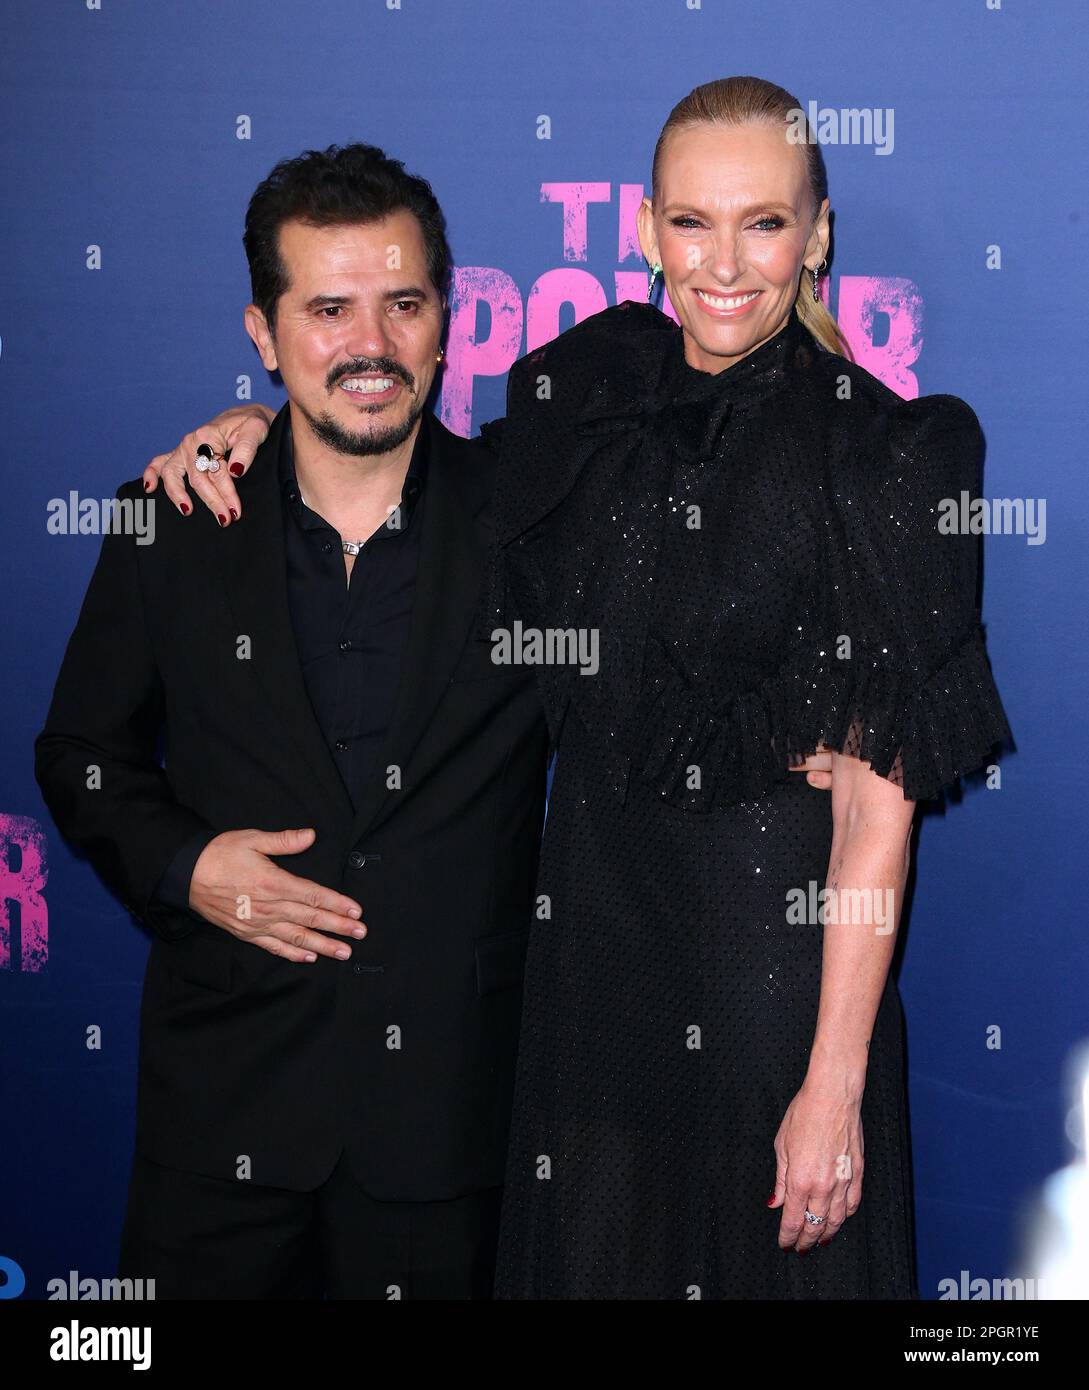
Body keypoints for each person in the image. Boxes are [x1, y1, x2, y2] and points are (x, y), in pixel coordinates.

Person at [142, 75, 985, 1300]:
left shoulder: (890, 457)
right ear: (645, 230)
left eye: (764, 222)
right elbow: (423, 483)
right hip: (589, 996)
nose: (725, 262)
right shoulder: (580, 397)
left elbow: (873, 822)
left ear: (817, 233)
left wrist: (832, 1083)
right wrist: (262, 425)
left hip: (772, 1009)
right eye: (692, 222)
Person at [34, 143, 553, 1299]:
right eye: (327, 310)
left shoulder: (534, 525)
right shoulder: (172, 522)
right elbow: (79, 757)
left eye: (402, 304)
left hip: (448, 1132)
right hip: (221, 1123)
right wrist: (189, 865)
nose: (369, 346)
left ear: (445, 320)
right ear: (265, 336)